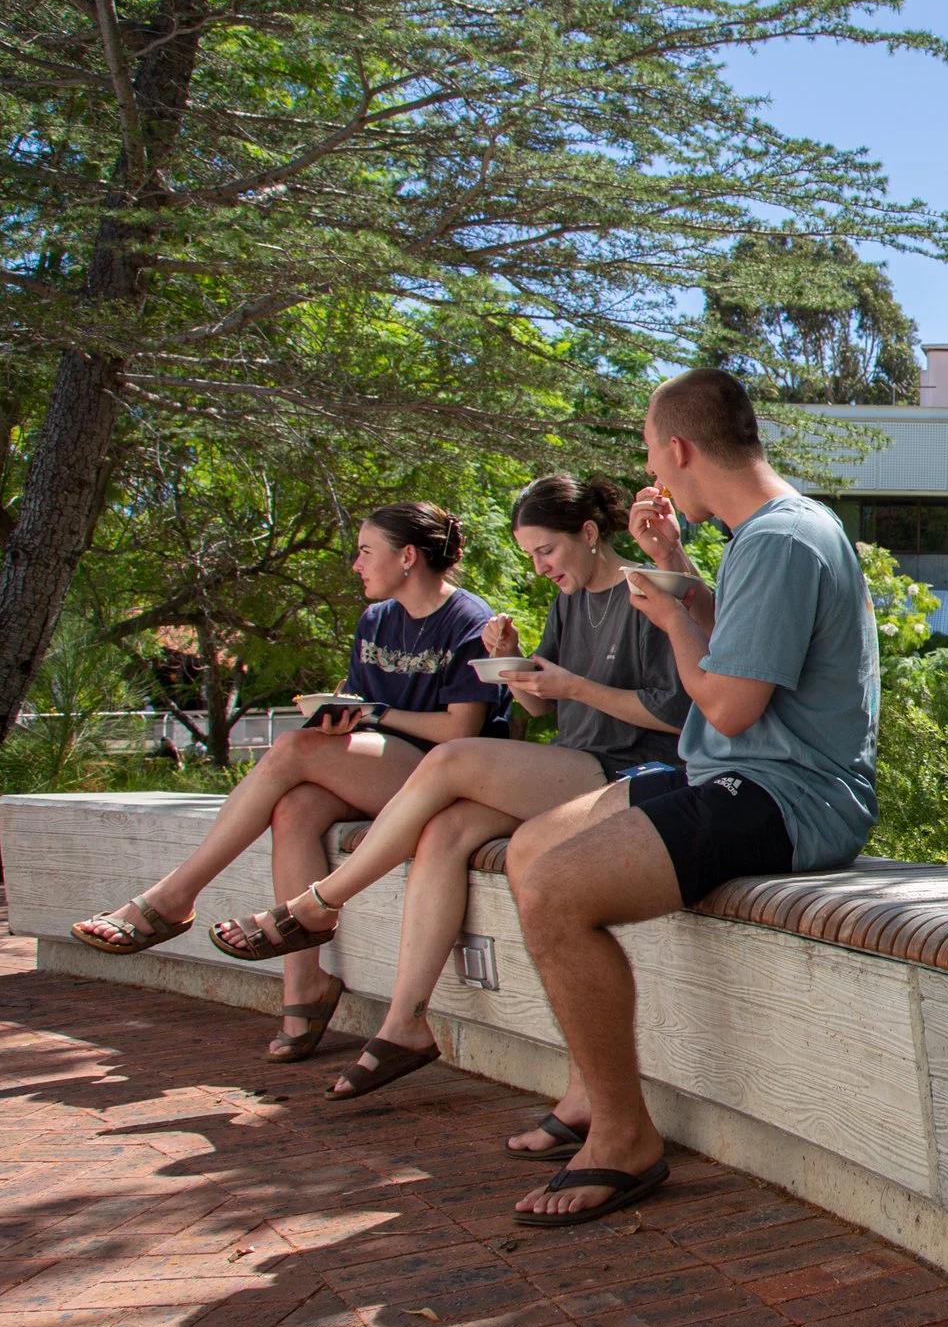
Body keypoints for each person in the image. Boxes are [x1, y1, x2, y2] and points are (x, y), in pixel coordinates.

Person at [504, 368, 878, 1227]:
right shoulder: (764, 533)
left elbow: (728, 704)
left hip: (791, 794)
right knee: (531, 847)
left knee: (556, 891)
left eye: (650, 452)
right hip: (735, 774)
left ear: (678, 448)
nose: (650, 471)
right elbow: (741, 643)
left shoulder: (783, 539)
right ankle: (588, 1092)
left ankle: (625, 1137)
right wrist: (675, 568)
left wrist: (670, 620)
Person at [220, 474, 693, 1113]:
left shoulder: (644, 592)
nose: (540, 567)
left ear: (588, 533)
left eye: (546, 551)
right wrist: (516, 663)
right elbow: (543, 707)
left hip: (635, 771)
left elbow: (675, 713)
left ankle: (318, 903)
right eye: (531, 554)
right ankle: (405, 1025)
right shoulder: (569, 599)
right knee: (443, 831)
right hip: (574, 761)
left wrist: (573, 687)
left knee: (451, 759)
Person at [71, 503, 506, 1060]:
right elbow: (363, 707)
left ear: (407, 557)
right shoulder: (376, 621)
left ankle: (173, 898)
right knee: (294, 809)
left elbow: (460, 729)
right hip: (381, 768)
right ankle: (305, 984)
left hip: (444, 778)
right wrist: (342, 713)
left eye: (365, 551)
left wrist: (373, 714)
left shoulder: (467, 619)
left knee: (292, 749)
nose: (356, 564)